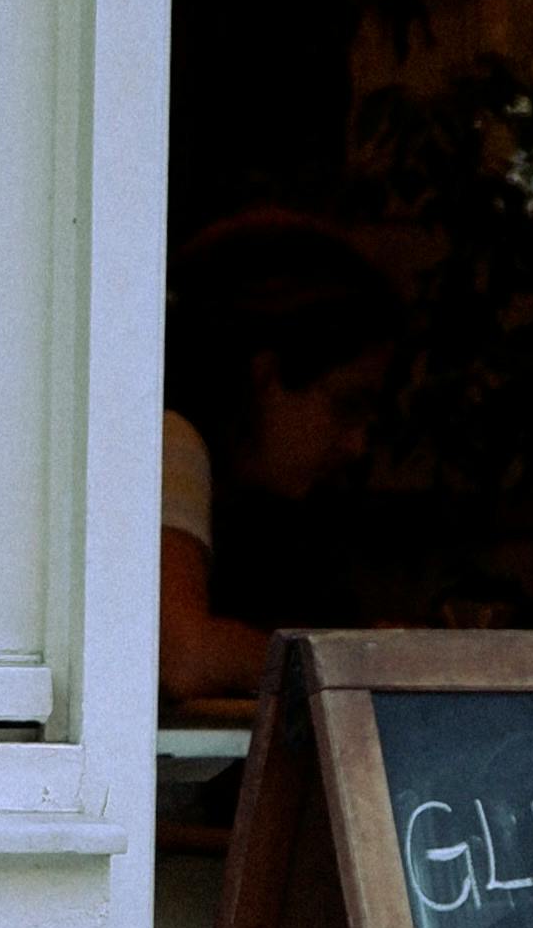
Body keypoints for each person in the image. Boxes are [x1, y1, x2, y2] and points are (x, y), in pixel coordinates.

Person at [158, 211, 397, 710]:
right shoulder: (169, 439)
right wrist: (355, 666)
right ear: (265, 376)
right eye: (346, 405)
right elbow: (184, 656)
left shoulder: (261, 510)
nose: (356, 444)